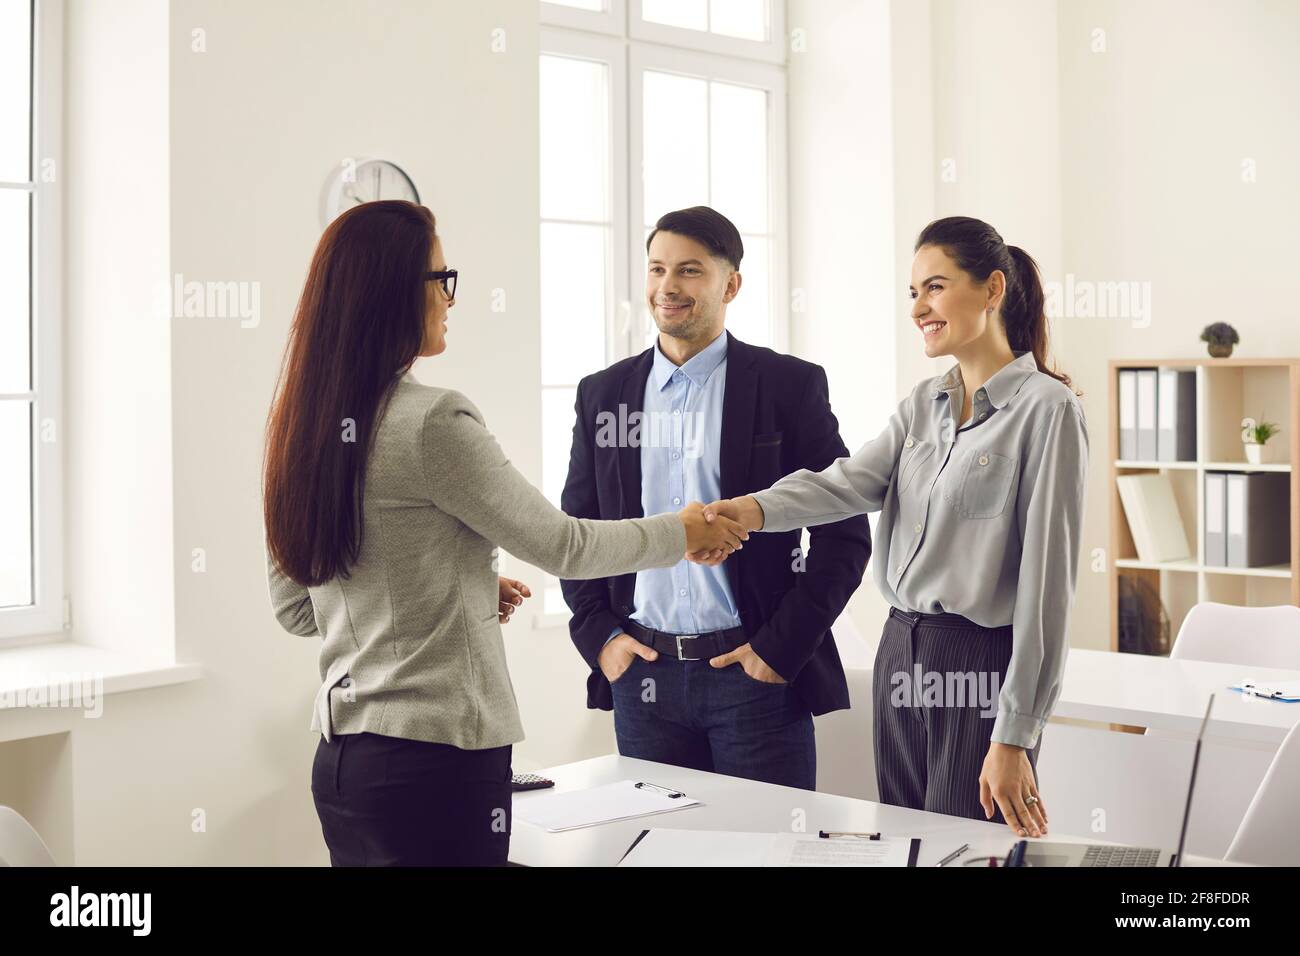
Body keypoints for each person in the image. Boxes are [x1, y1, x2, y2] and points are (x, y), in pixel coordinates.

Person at [262, 200, 748, 866]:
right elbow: (564, 546)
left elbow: (299, 607)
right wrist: (682, 531)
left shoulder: (304, 425)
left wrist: (447, 593)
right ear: (395, 294)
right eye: (441, 279)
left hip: (343, 767)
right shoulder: (432, 422)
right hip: (436, 763)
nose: (450, 299)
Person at [701, 216, 1088, 837]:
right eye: (913, 293)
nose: (918, 309)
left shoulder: (1047, 410)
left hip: (976, 657)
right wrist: (747, 510)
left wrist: (1015, 735)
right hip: (899, 648)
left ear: (992, 290)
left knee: (966, 846)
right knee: (910, 841)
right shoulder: (923, 404)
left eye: (934, 288)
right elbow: (846, 483)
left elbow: (1048, 593)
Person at [560, 206, 870, 790]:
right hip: (642, 678)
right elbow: (578, 534)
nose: (667, 287)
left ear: (731, 284)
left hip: (752, 677)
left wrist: (778, 650)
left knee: (767, 851)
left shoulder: (788, 385)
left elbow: (845, 532)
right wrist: (602, 639)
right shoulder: (603, 394)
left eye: (689, 271)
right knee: (657, 855)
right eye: (657, 270)